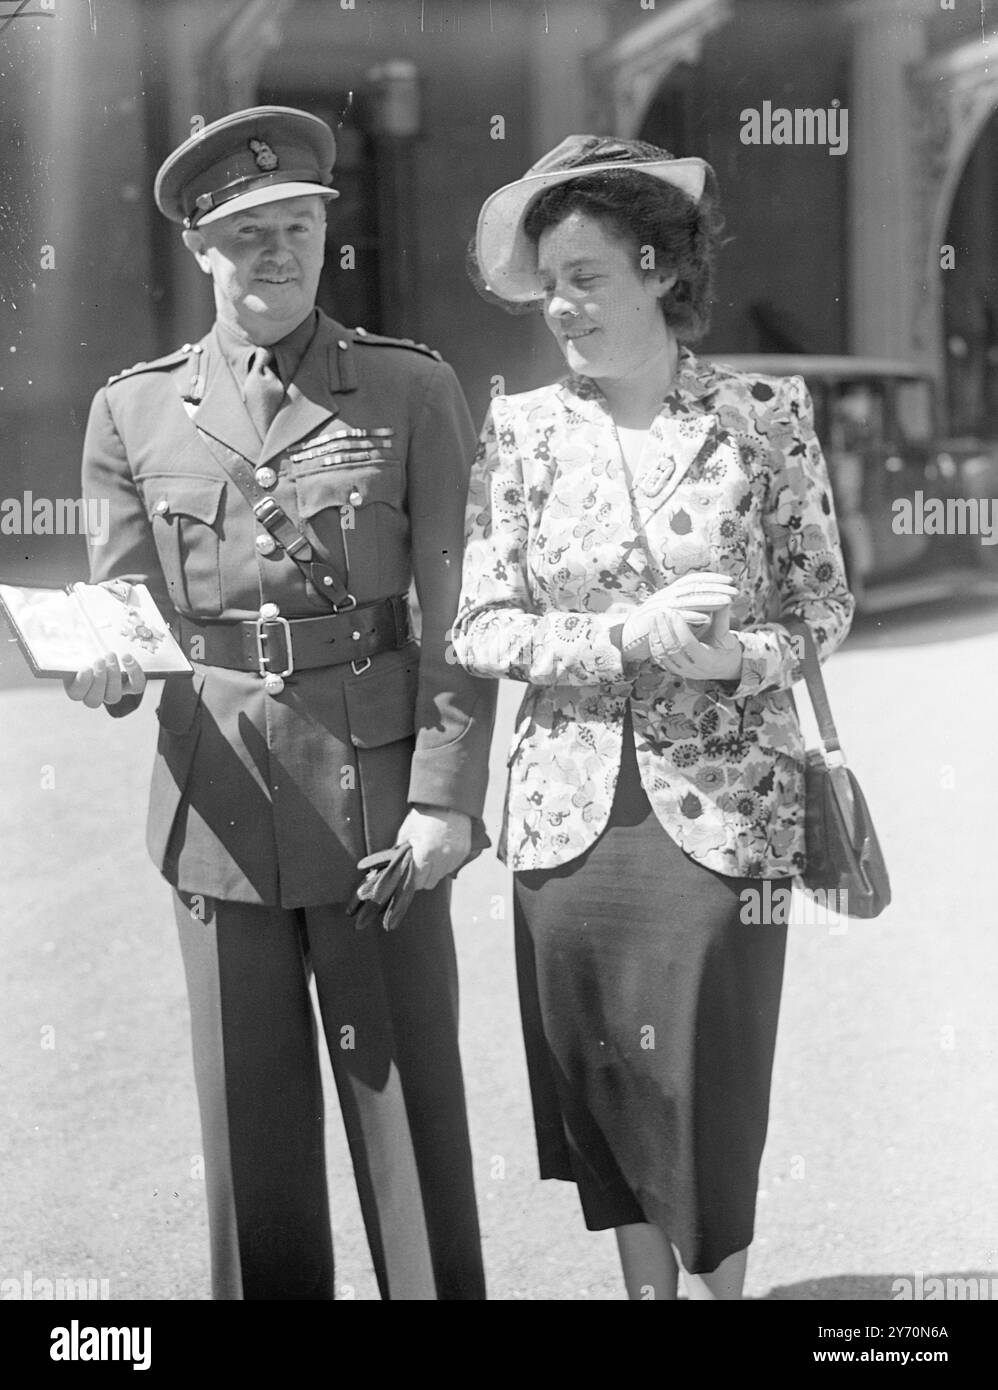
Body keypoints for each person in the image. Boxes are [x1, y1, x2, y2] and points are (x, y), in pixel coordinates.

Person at [64, 106, 496, 1300]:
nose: (278, 252)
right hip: (217, 806)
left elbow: (461, 610)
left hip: (380, 815)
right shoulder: (133, 411)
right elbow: (124, 612)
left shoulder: (408, 389)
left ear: (324, 233)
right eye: (248, 233)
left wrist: (446, 797)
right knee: (250, 1134)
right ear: (198, 245)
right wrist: (106, 671)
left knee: (408, 1119)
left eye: (298, 226)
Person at [452, 135, 854, 1300]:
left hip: (727, 812)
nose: (560, 308)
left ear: (659, 268)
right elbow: (479, 625)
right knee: (605, 1090)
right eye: (548, 285)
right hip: (566, 821)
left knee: (707, 1086)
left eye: (584, 278)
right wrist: (617, 638)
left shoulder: (763, 415)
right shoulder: (522, 430)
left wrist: (736, 660)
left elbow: (820, 607)